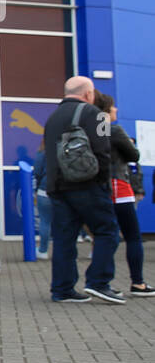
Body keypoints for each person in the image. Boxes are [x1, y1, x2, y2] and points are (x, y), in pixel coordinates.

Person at [42, 76, 123, 304]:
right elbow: (103, 151)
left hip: (57, 187)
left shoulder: (52, 118)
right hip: (87, 185)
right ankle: (99, 282)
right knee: (107, 231)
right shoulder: (97, 115)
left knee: (64, 239)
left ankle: (62, 290)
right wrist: (103, 184)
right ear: (88, 94)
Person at [93, 93, 151, 297]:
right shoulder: (114, 130)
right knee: (132, 235)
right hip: (118, 185)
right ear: (107, 110)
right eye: (114, 107)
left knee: (105, 233)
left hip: (98, 187)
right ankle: (138, 283)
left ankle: (99, 280)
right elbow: (134, 155)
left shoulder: (92, 130)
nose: (116, 110)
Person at [32, 139, 51, 257]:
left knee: (45, 222)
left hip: (45, 190)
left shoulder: (43, 152)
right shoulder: (66, 149)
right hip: (63, 191)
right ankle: (65, 251)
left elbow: (37, 172)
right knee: (64, 223)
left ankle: (43, 250)